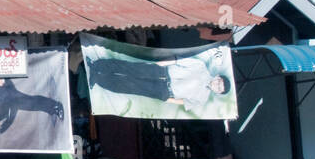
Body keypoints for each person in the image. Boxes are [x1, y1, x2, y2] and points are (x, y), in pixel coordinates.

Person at [86, 50, 231, 113]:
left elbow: (184, 102)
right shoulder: (201, 66)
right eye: (219, 83)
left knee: (128, 86)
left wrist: (168, 99)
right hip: (161, 72)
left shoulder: (203, 99)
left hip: (163, 91)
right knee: (128, 68)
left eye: (219, 89)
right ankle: (96, 64)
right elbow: (176, 60)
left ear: (217, 92)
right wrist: (159, 65)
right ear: (217, 77)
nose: (216, 86)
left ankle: (98, 79)